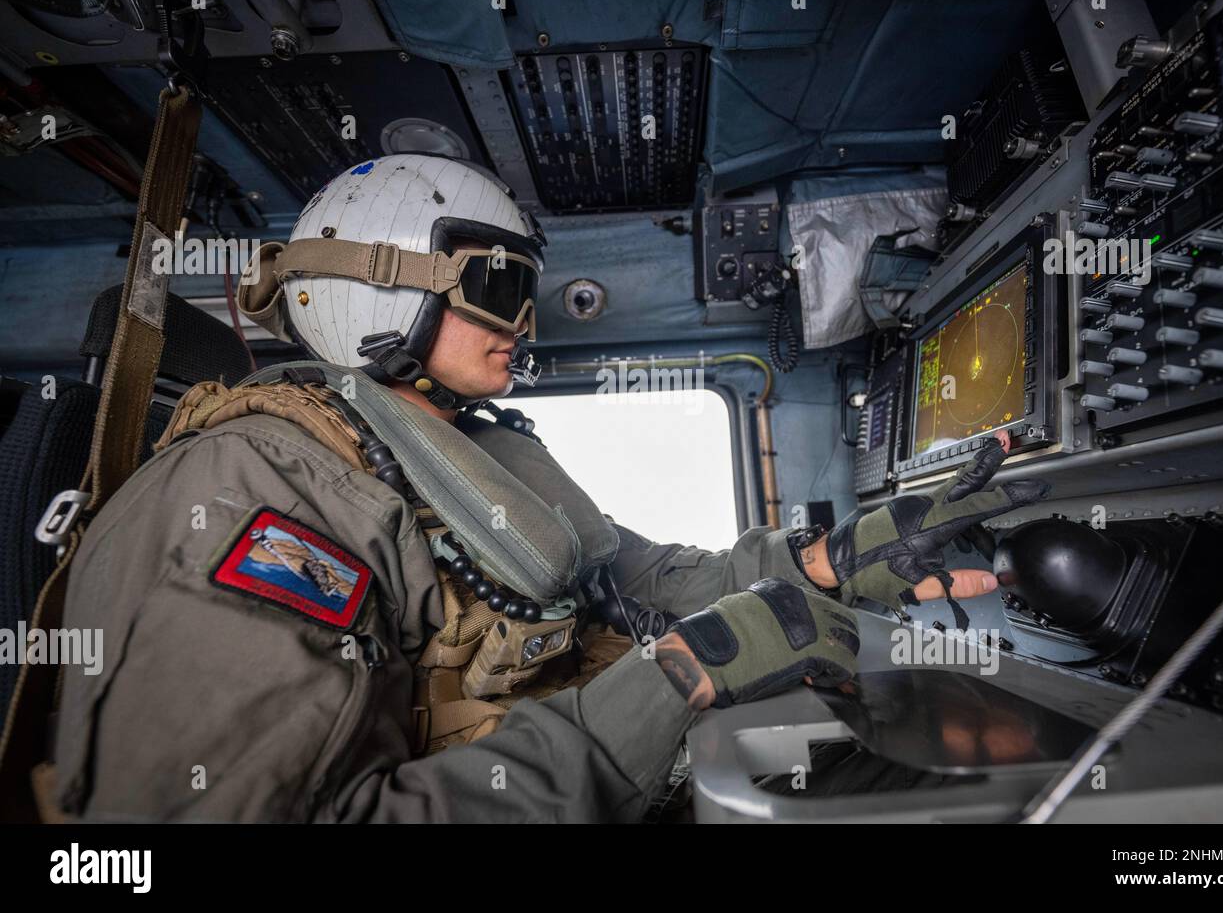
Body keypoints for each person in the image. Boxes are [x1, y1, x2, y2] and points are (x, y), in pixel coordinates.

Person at [48, 156, 1046, 822]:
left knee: (1001, 774)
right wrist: (672, 681)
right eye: (495, 284)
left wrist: (826, 560)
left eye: (525, 290)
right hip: (594, 782)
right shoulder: (253, 490)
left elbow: (645, 576)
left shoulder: (472, 449)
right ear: (377, 285)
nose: (521, 322)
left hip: (616, 766)